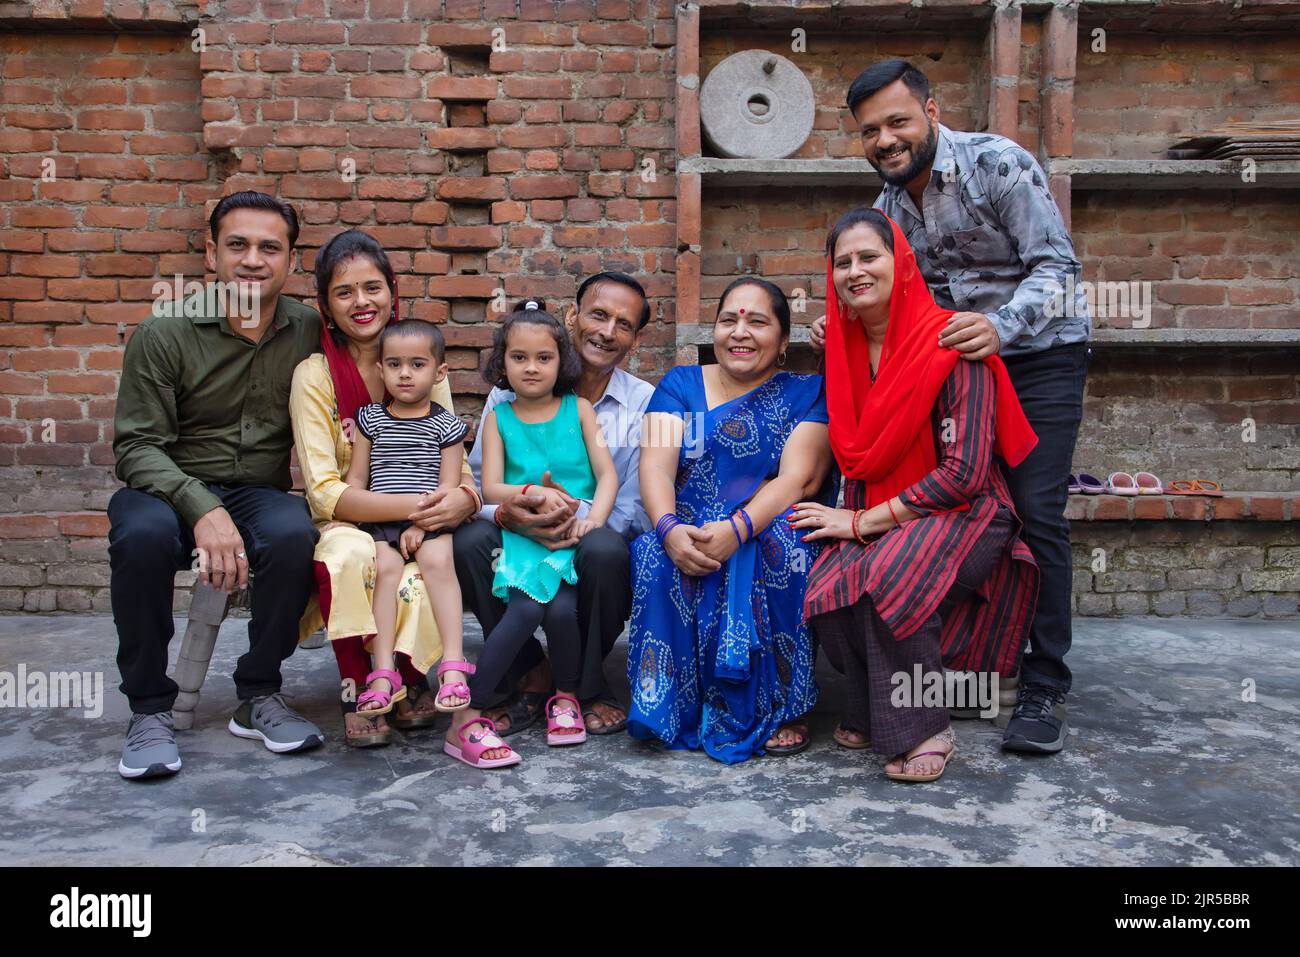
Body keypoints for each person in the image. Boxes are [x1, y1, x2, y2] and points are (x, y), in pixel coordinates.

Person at [810, 60, 1090, 753]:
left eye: (897, 121)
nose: (885, 138)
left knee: (1033, 509)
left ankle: (1045, 681)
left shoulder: (998, 165)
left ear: (931, 111)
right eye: (870, 130)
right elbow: (898, 292)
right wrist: (843, 321)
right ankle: (962, 670)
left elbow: (1058, 269)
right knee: (957, 512)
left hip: (1036, 356)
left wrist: (1000, 326)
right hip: (954, 367)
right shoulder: (887, 209)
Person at [797, 208, 1040, 782]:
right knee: (826, 587)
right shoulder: (844, 350)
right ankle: (869, 706)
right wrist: (850, 521)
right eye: (843, 262)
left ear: (901, 262)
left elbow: (965, 473)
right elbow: (856, 452)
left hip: (963, 509)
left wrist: (861, 524)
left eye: (869, 256)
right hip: (874, 504)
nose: (855, 271)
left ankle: (925, 726)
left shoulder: (952, 343)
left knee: (890, 575)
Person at [110, 191, 323, 779]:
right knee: (141, 538)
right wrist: (201, 507)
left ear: (290, 260)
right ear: (211, 254)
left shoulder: (308, 328)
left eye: (269, 247)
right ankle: (149, 708)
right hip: (167, 488)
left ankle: (258, 694)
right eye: (238, 245)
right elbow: (135, 447)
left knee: (292, 533)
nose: (253, 259)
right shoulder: (166, 331)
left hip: (257, 491)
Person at [628, 278, 837, 764]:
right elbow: (655, 467)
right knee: (651, 557)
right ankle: (676, 703)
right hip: (688, 526)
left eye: (758, 322)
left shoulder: (807, 392)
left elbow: (797, 480)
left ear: (784, 341)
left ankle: (781, 705)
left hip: (768, 523)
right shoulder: (680, 384)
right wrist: (668, 530)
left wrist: (738, 530)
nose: (739, 332)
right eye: (728, 320)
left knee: (786, 549)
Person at [290, 229, 480, 748]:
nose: (361, 302)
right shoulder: (315, 376)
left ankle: (411, 678)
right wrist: (415, 513)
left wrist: (462, 500)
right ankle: (360, 687)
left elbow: (454, 465)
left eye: (372, 287)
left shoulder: (420, 357)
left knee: (430, 568)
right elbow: (326, 491)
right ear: (326, 305)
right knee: (355, 556)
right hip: (353, 520)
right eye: (343, 292)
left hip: (423, 515)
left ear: (392, 290)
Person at [454, 273, 655, 737]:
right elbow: (484, 483)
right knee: (469, 540)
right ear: (572, 318)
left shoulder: (648, 403)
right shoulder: (504, 398)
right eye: (598, 315)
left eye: (624, 325)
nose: (608, 331)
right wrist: (512, 513)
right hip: (516, 524)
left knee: (607, 553)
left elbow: (640, 496)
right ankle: (527, 671)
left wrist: (576, 522)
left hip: (591, 530)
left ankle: (585, 685)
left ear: (636, 339)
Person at [343, 320, 472, 717]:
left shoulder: (447, 425)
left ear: (439, 373)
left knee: (437, 564)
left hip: (432, 519)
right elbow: (357, 480)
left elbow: (450, 487)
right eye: (395, 364)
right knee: (385, 570)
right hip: (382, 518)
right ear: (381, 370)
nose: (404, 373)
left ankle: (453, 666)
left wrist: (422, 526)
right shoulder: (370, 419)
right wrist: (346, 521)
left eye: (417, 364)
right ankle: (383, 672)